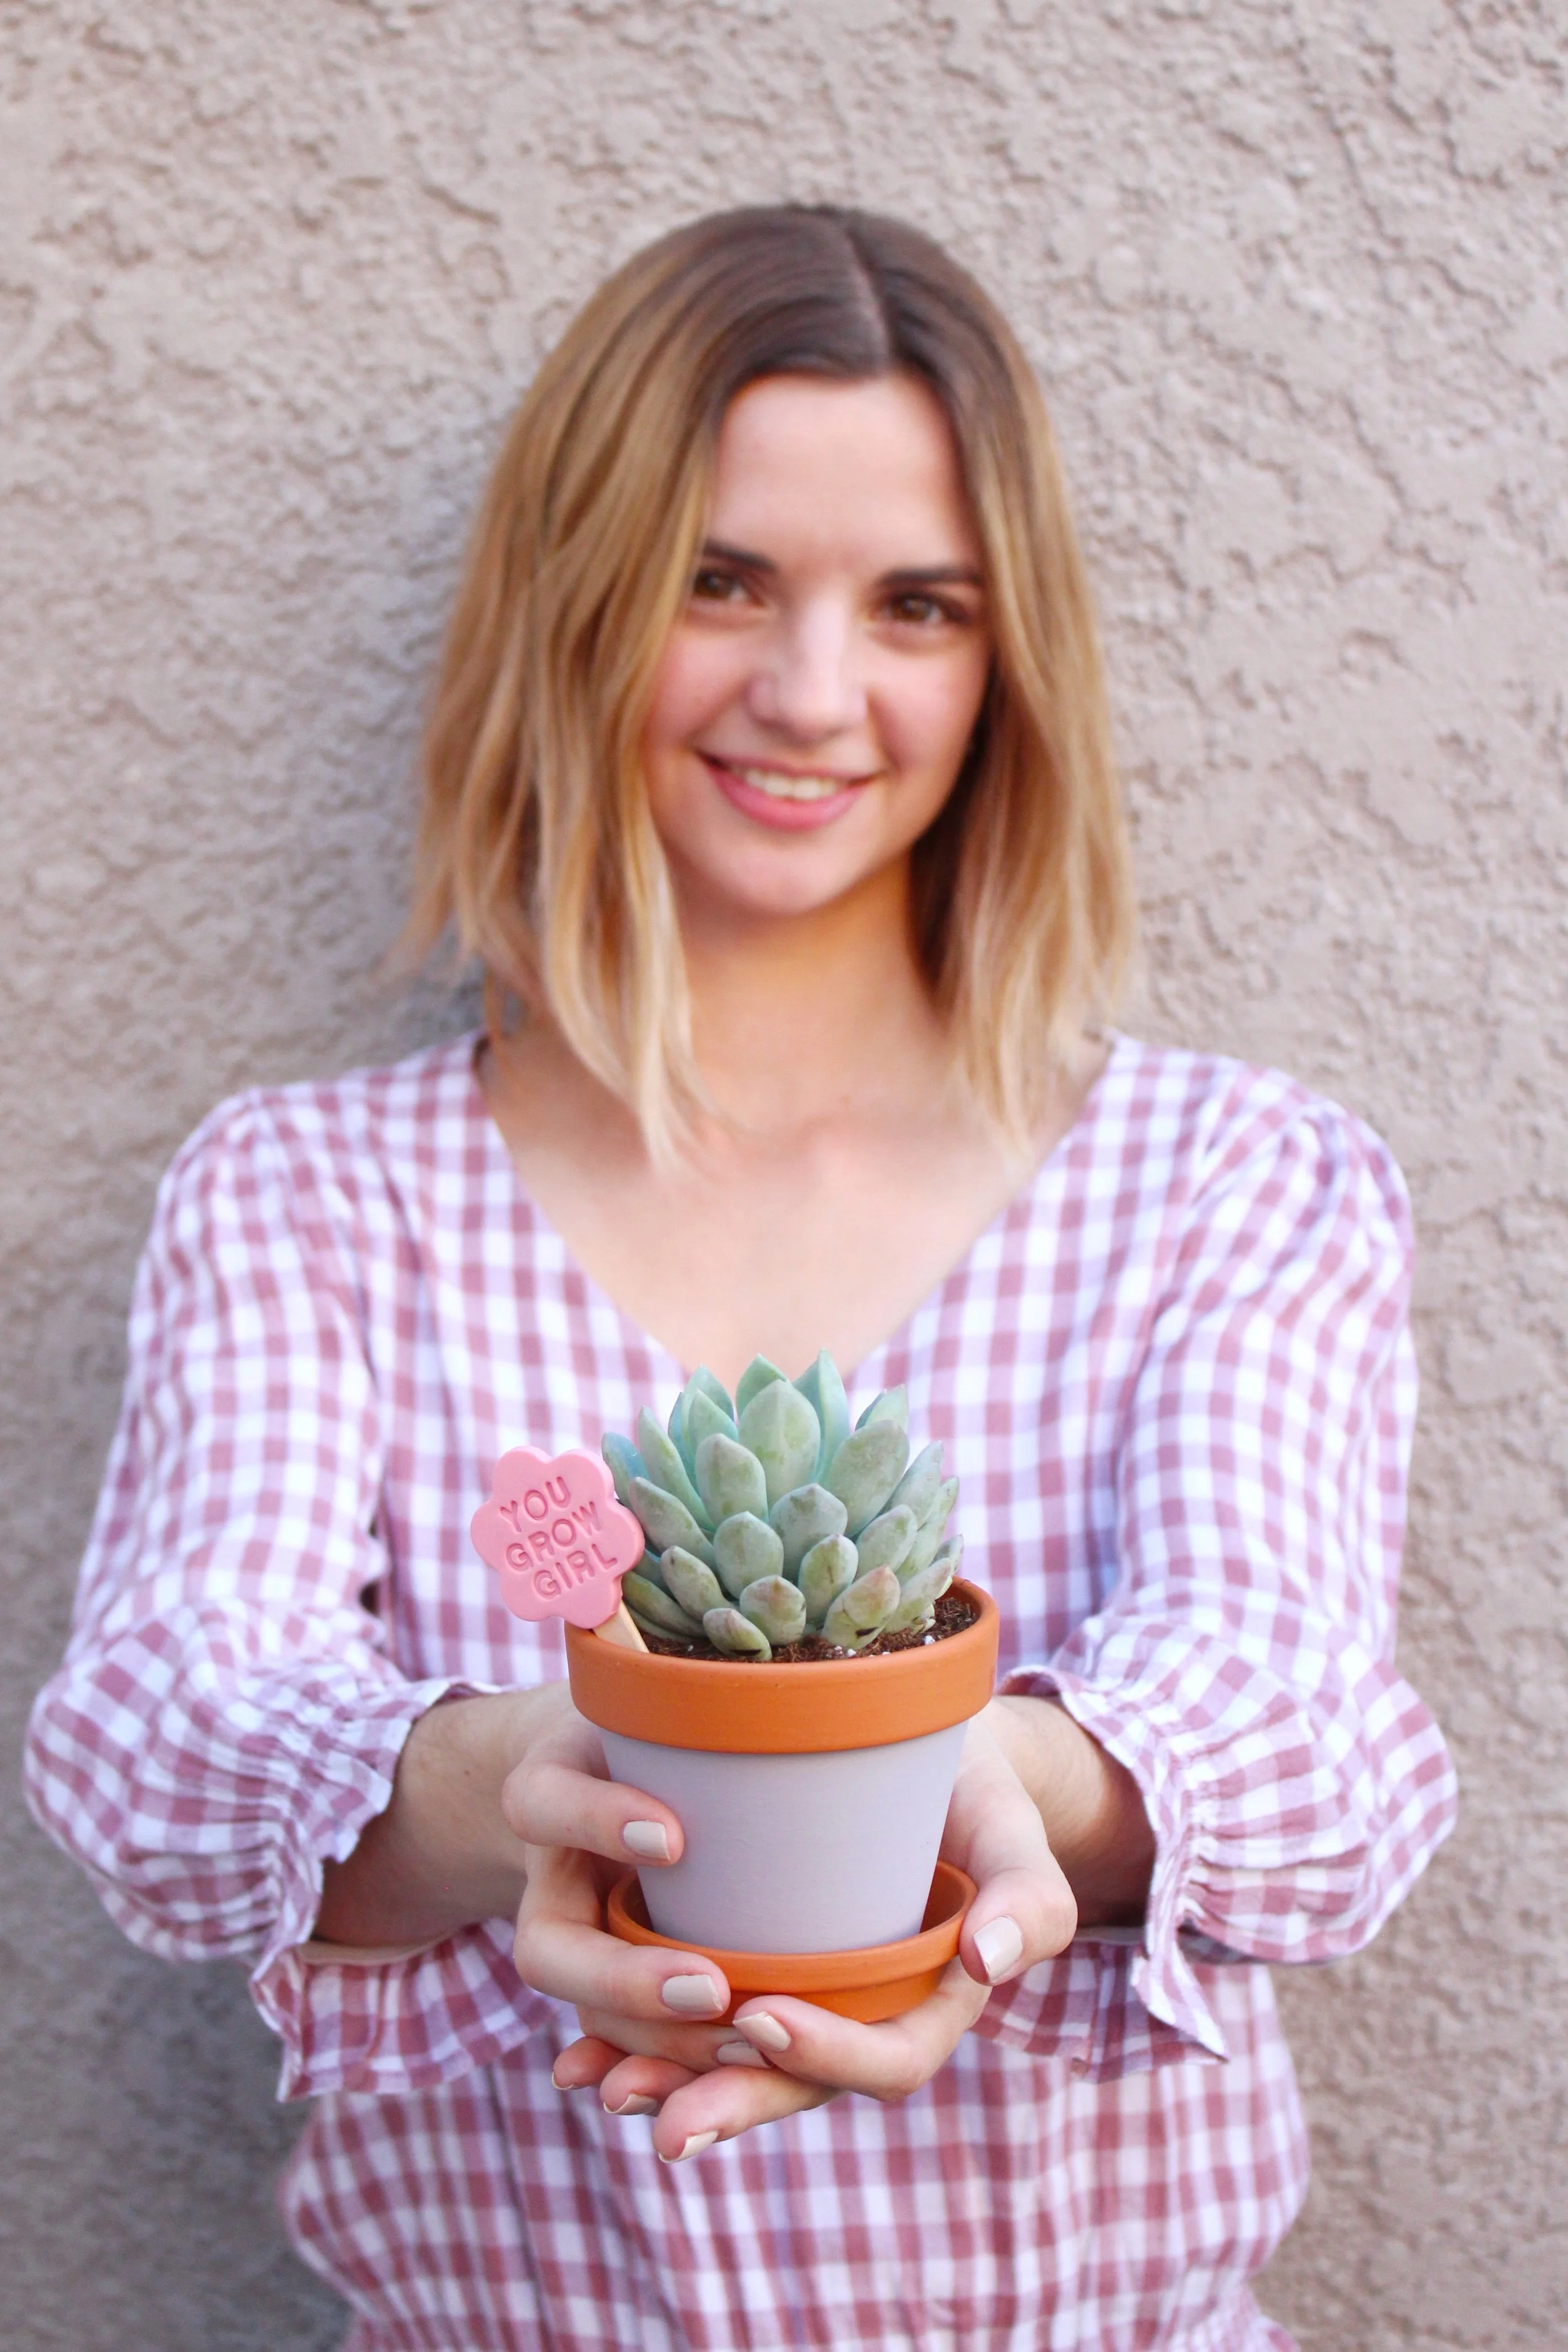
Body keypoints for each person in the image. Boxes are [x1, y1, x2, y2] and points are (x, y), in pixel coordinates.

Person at [26, 206, 1456, 2351]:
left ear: (1003, 656)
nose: (811, 691)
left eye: (915, 604)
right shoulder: (316, 1200)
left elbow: (1310, 1728)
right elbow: (159, 1740)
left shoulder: (1224, 1181)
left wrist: (998, 1805)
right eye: (720, 579)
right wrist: (522, 1787)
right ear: (579, 597)